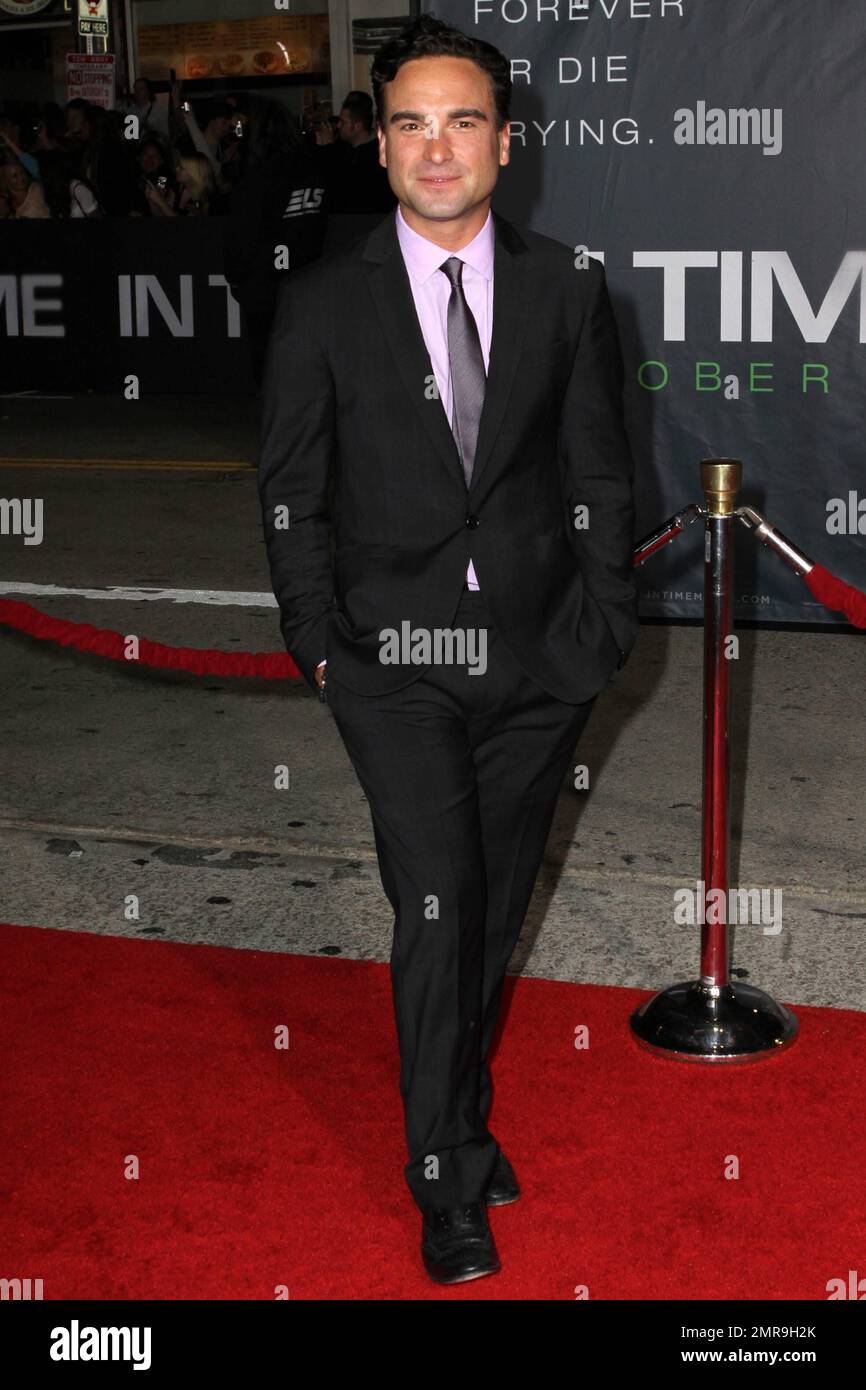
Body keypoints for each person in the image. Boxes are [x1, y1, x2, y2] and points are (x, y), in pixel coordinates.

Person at [258, 14, 639, 1284]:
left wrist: (600, 624)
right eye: (410, 121)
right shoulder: (321, 303)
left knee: (490, 904)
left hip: (535, 658)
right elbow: (291, 490)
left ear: (503, 141)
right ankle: (444, 1176)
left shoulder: (569, 290)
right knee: (437, 904)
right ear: (378, 146)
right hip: (391, 662)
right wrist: (318, 643)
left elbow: (596, 469)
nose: (436, 146)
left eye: (461, 119)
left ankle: (460, 1113)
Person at [224, 97, 326, 385]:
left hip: (266, 289)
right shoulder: (313, 169)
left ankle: (282, 427)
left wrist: (236, 276)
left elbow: (242, 235)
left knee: (271, 370)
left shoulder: (259, 176)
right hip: (308, 284)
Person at [143, 151, 213, 217]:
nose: (176, 169)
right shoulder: (177, 185)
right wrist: (151, 199)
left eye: (181, 168)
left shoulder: (206, 196)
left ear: (194, 173)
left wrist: (159, 200)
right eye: (146, 155)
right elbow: (163, 215)